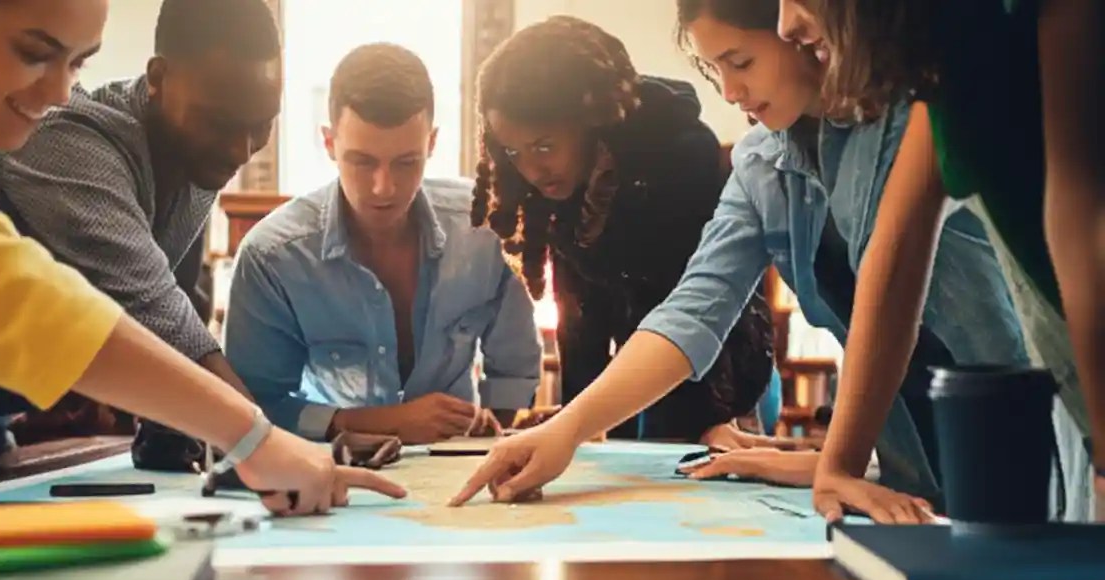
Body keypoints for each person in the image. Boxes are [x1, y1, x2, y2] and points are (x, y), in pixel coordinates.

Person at [448, 0, 1030, 516]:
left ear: (802, 29)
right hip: (908, 480)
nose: (728, 91)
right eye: (714, 68)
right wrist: (568, 428)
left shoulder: (914, 119)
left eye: (741, 62)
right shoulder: (759, 166)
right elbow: (692, 312)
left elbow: (895, 293)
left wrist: (838, 461)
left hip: (1022, 444)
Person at [0, 0, 403, 514]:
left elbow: (180, 309)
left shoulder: (187, 169)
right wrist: (260, 439)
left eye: (78, 63)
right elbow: (3, 289)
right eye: (33, 52)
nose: (57, 94)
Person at [774, 0, 1102, 521]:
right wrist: (839, 465)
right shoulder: (944, 61)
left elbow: (1082, 221)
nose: (785, 24)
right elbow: (896, 254)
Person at [0, 0, 281, 469]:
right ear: (158, 79)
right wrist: (270, 445)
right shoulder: (64, 134)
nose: (241, 150)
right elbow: (159, 315)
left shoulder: (195, 154)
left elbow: (177, 312)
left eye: (261, 124)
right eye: (221, 123)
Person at [471, 15, 775, 444]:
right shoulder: (556, 188)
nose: (531, 168)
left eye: (543, 146)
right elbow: (579, 322)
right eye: (513, 152)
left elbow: (700, 311)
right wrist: (573, 428)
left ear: (589, 120)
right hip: (634, 380)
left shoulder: (682, 157)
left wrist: (700, 425)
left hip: (724, 373)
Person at [225, 43, 542, 445]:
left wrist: (490, 434)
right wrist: (387, 422)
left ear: (431, 144)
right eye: (362, 161)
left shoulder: (486, 229)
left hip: (457, 463)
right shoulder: (272, 256)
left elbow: (513, 373)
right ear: (329, 143)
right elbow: (251, 407)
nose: (384, 187)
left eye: (406, 162)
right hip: (326, 471)